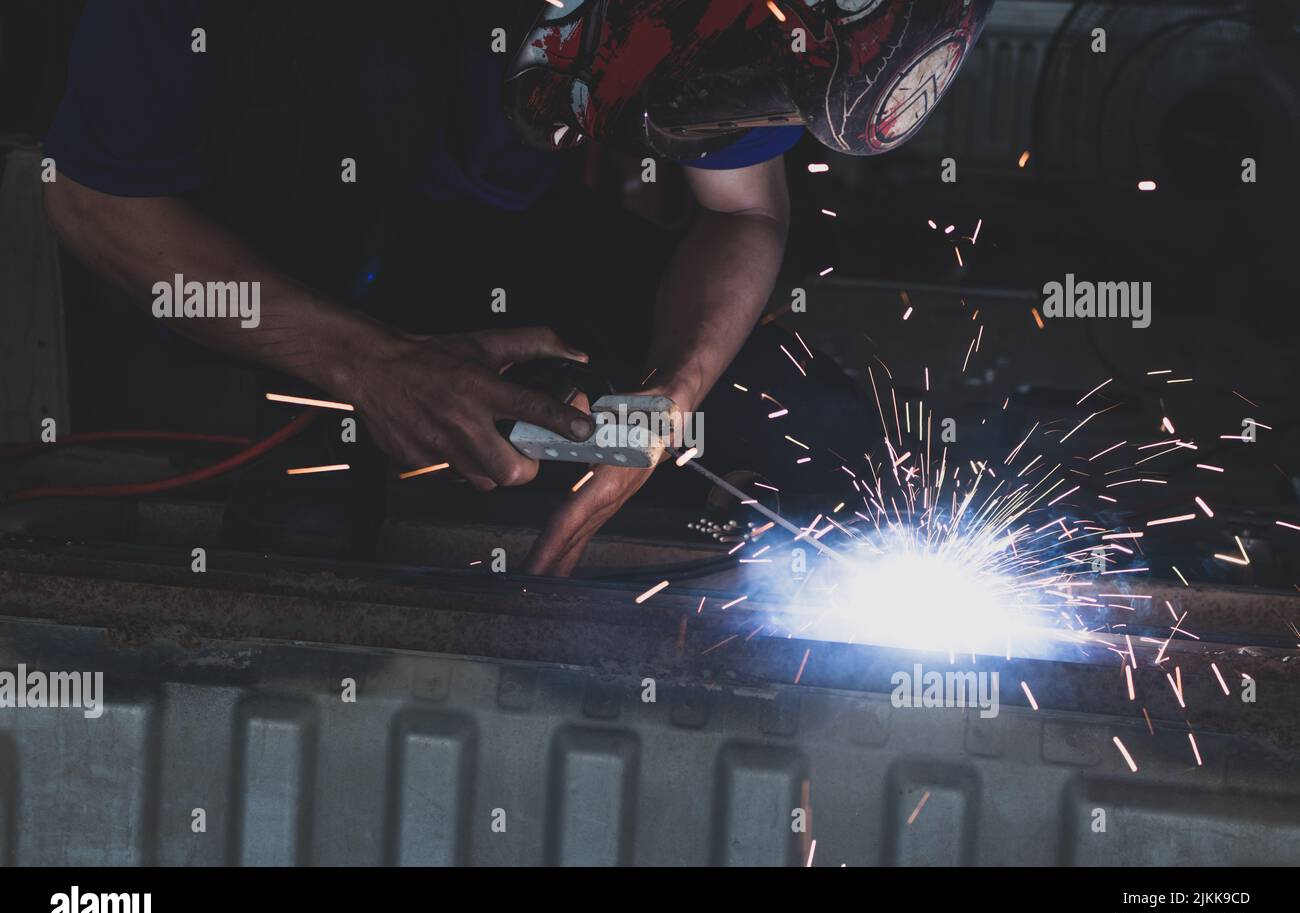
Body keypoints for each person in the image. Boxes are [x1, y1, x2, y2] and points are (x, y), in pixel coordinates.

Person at [41, 0, 991, 573]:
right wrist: (372, 364)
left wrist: (673, 391)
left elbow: (741, 213)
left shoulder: (729, 22)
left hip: (464, 235)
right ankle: (310, 444)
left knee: (796, 410)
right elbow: (95, 205)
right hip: (239, 259)